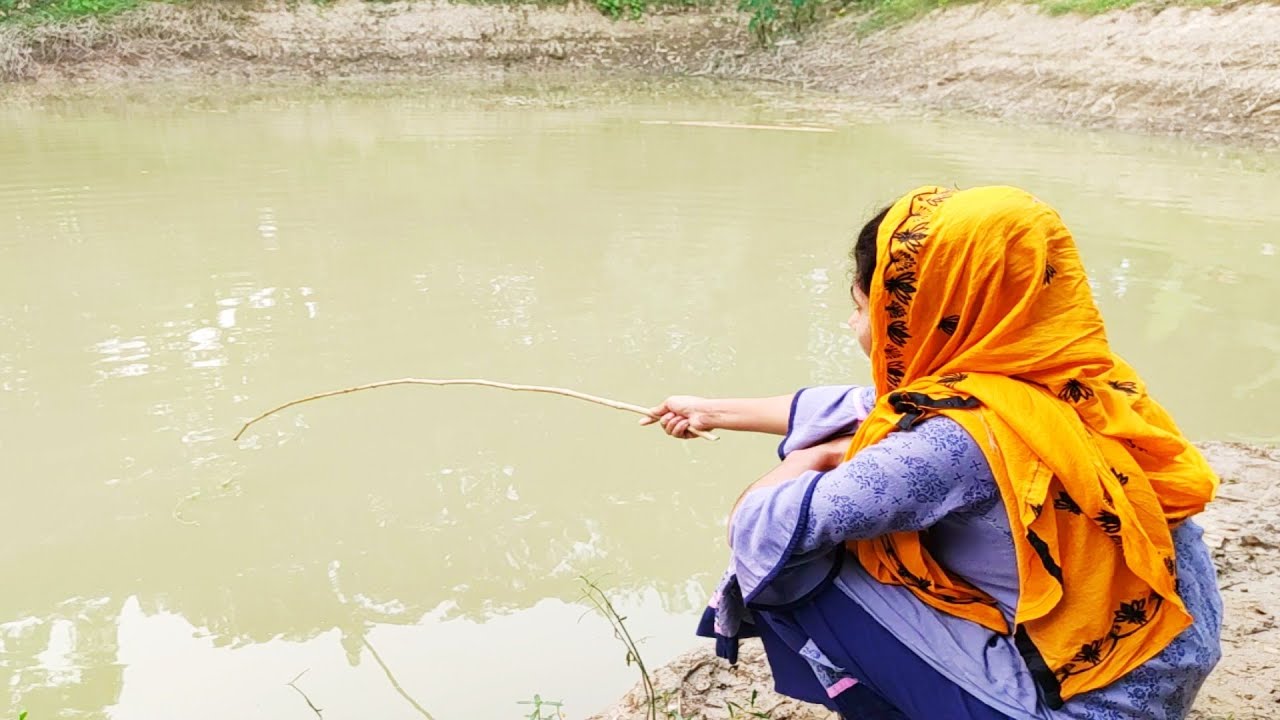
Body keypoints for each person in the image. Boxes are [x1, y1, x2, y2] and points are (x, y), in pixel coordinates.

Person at [641, 186, 1223, 720]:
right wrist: (713, 411)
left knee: (799, 563)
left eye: (863, 306)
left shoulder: (952, 440)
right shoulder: (1075, 376)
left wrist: (812, 460)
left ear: (913, 310)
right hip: (1161, 665)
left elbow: (759, 527)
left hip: (1085, 707)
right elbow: (869, 402)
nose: (853, 324)